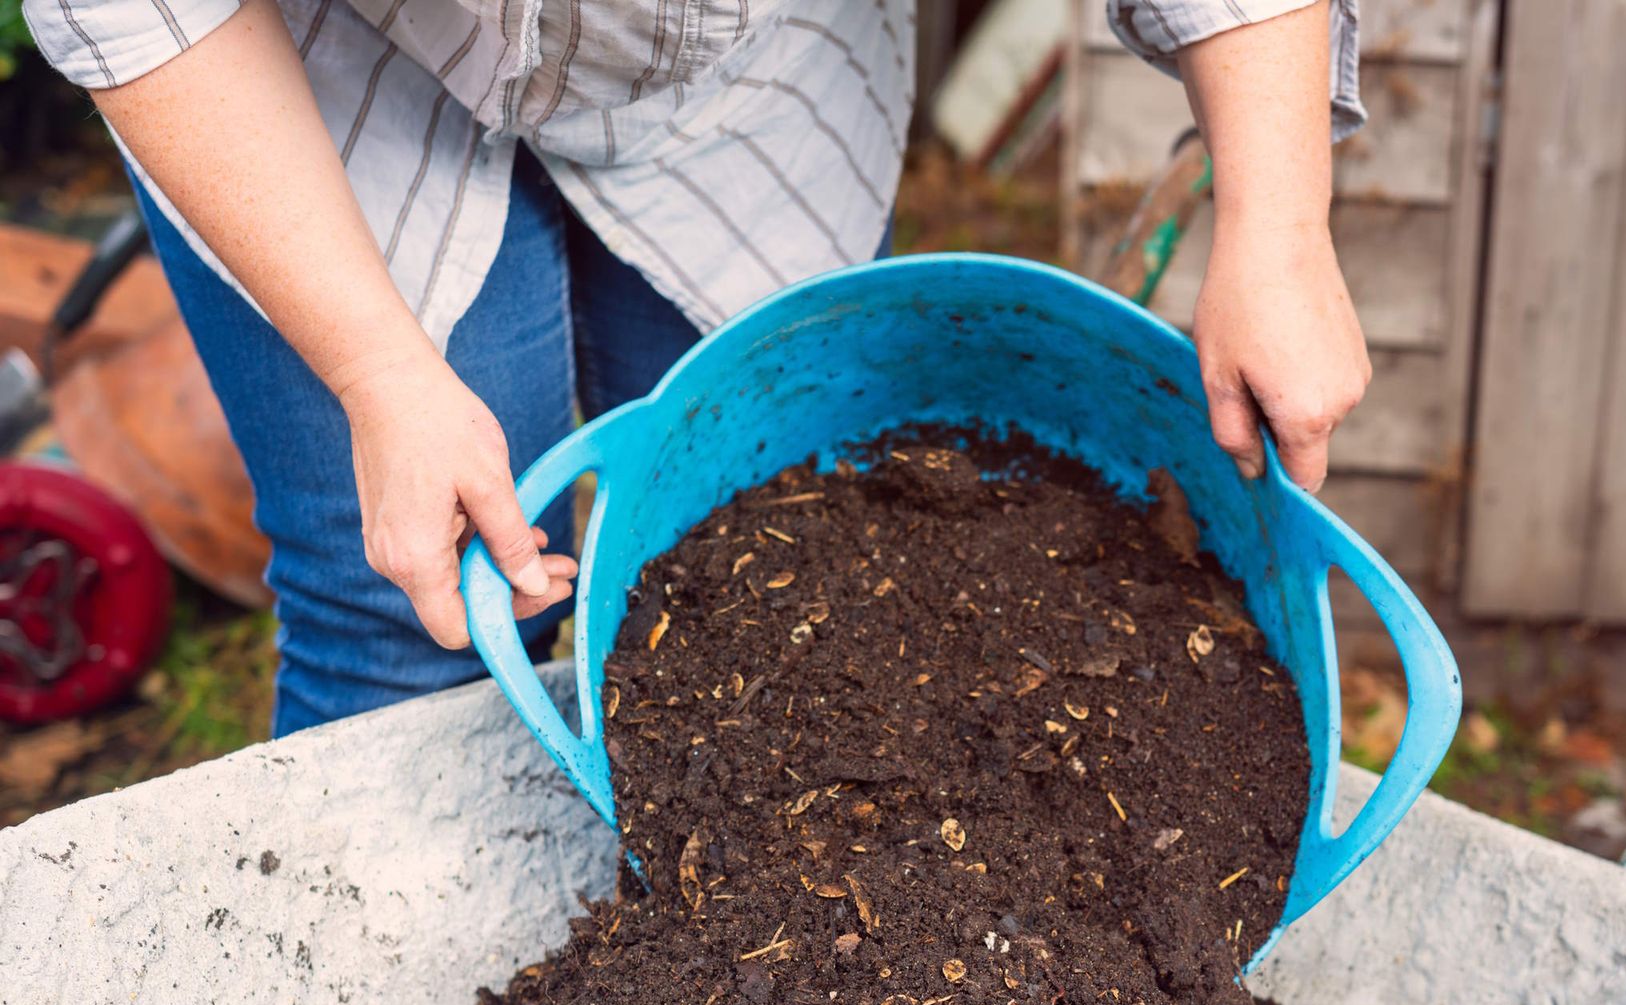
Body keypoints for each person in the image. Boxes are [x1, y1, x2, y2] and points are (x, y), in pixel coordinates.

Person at [25, 0, 1371, 734]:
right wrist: (381, 372)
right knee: (410, 611)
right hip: (332, 57)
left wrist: (1277, 213)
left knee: (777, 563)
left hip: (742, 57)